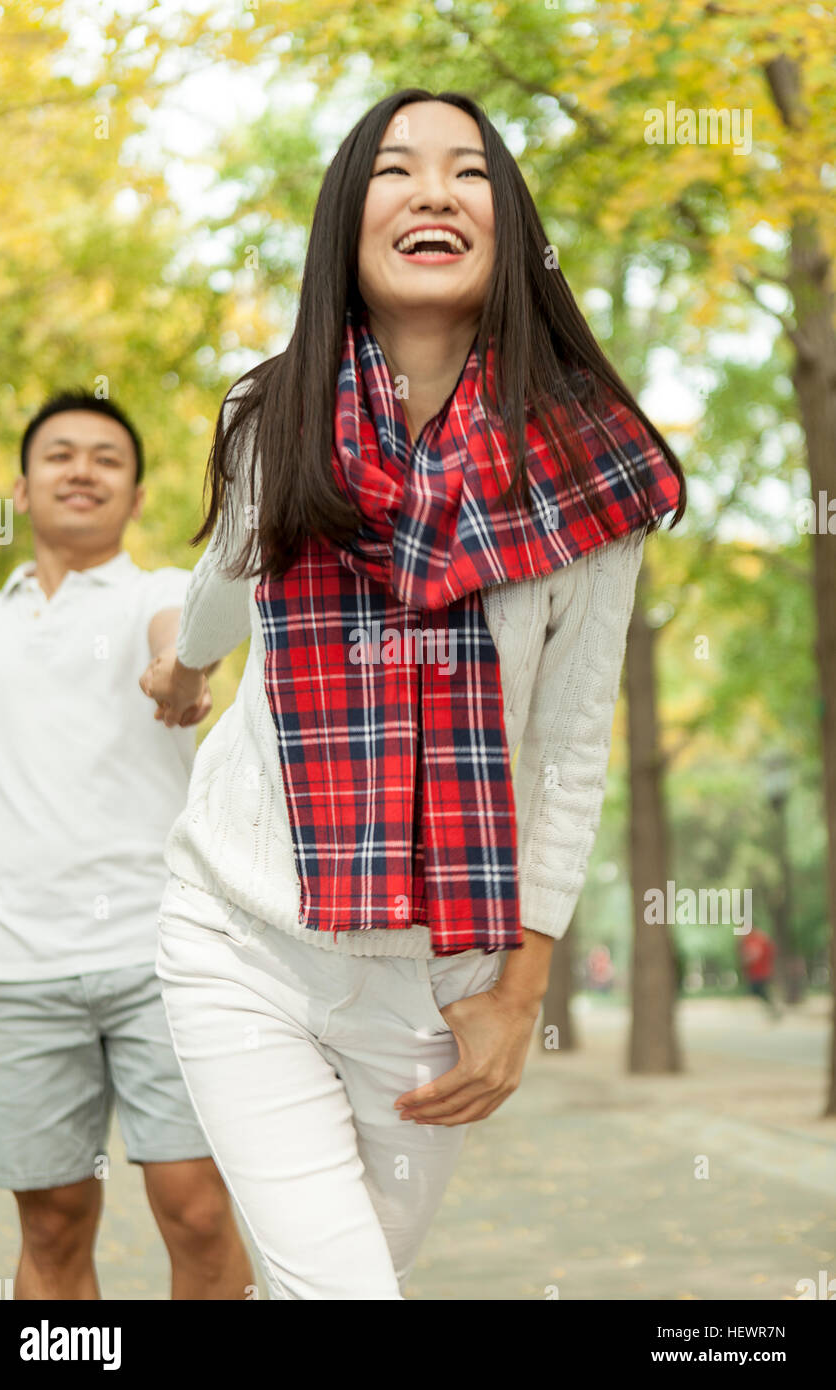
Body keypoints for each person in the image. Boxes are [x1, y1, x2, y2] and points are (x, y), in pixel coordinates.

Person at [143, 88, 686, 1301]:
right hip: (238, 931)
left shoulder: (593, 470)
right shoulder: (269, 413)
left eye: (469, 174)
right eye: (395, 171)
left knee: (340, 1278)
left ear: (510, 230)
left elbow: (565, 746)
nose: (434, 191)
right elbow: (225, 584)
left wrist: (516, 992)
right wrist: (182, 668)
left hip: (438, 976)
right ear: (349, 221)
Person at [0, 390, 252, 1299]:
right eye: (59, 455)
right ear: (19, 488)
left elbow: (184, 644)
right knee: (50, 1223)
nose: (82, 470)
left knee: (199, 1208)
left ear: (134, 497)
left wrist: (182, 673)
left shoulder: (161, 593)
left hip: (159, 957)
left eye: (106, 458)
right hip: (13, 969)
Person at [737, 926, 781, 1019]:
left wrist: (746, 958)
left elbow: (751, 955)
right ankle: (773, 1009)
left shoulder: (757, 939)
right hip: (755, 972)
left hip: (761, 972)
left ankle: (773, 1009)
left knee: (759, 991)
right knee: (758, 992)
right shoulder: (750, 939)